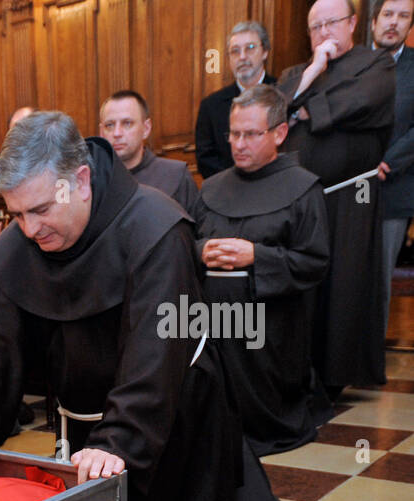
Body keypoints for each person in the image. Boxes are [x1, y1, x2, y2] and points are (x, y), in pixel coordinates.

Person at [0, 112, 311, 501]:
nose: (29, 229)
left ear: (82, 181)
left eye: (42, 209)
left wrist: (118, 442)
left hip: (169, 419)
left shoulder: (156, 229)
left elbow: (157, 355)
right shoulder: (17, 246)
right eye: (17, 214)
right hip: (89, 425)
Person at [196, 85, 330, 456]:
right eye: (233, 134)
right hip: (213, 322)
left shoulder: (303, 188)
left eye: (251, 134)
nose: (239, 144)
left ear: (279, 133)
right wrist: (202, 251)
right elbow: (183, 246)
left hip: (271, 329)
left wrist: (257, 256)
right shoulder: (211, 188)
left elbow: (314, 262)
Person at [278, 0, 395, 392]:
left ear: (352, 24)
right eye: (316, 27)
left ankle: (339, 373)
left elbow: (365, 102)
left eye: (332, 23)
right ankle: (301, 367)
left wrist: (307, 111)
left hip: (351, 197)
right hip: (301, 197)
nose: (324, 32)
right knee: (303, 282)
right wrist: (312, 72)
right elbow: (278, 112)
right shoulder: (297, 71)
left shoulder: (375, 64)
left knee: (344, 283)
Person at [374, 0, 414, 342]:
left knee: (380, 277)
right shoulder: (353, 64)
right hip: (349, 188)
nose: (394, 23)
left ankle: (371, 354)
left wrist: (390, 161)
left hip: (394, 190)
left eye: (403, 17)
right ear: (373, 20)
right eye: (388, 14)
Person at [99, 90, 203, 218]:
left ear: (146, 129)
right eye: (109, 125)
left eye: (127, 123)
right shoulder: (93, 180)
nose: (117, 133)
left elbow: (196, 233)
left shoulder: (176, 175)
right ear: (101, 132)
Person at [195, 21, 278, 178]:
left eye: (250, 48)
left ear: (265, 51)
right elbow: (205, 159)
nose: (242, 57)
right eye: (235, 51)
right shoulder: (211, 105)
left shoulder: (284, 94)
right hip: (229, 193)